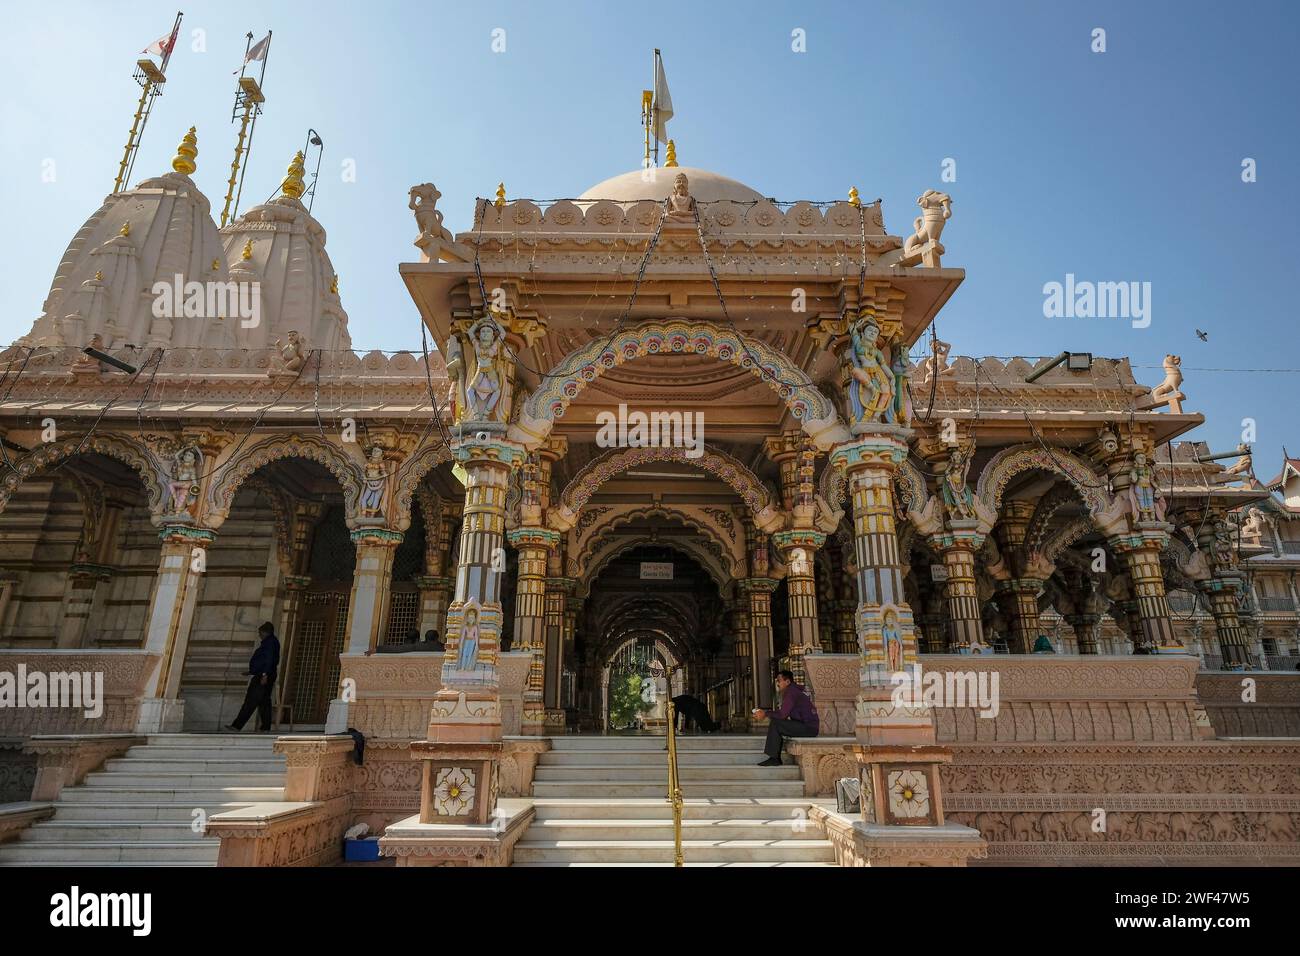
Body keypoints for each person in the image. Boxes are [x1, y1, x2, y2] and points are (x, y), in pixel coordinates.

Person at [753, 670, 818, 766]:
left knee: (776, 723)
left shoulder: (791, 692)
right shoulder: (793, 690)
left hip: (808, 728)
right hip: (808, 727)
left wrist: (765, 713)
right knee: (778, 722)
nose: (778, 684)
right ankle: (774, 757)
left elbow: (782, 714)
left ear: (787, 682)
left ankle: (774, 758)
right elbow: (784, 714)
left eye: (779, 680)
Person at [228, 622, 280, 733]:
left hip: (263, 676)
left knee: (251, 701)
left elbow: (268, 659)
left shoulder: (269, 643)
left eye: (260, 632)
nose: (259, 635)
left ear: (265, 632)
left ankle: (237, 726)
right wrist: (252, 671)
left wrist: (264, 674)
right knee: (264, 702)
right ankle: (265, 728)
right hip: (264, 674)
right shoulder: (271, 642)